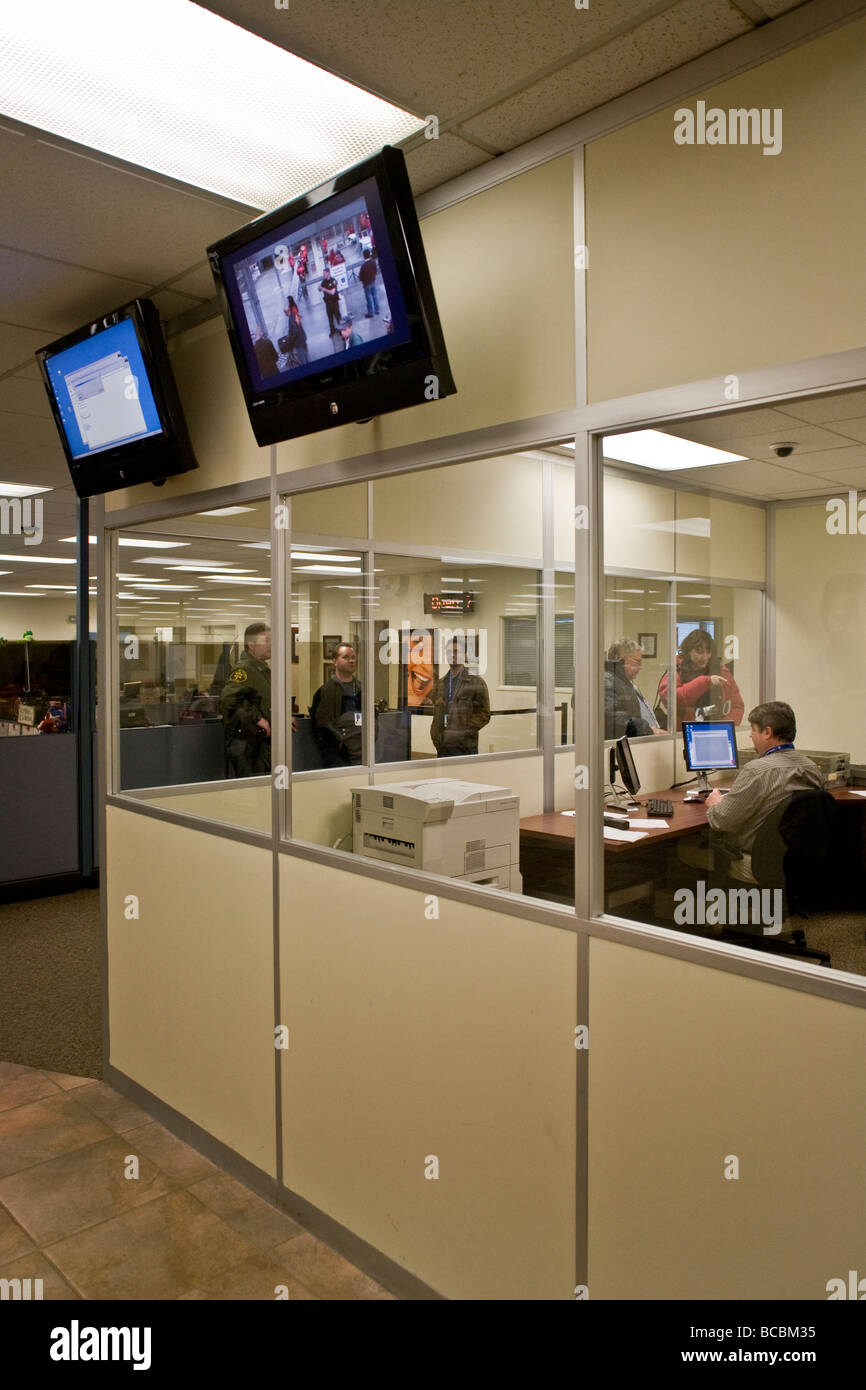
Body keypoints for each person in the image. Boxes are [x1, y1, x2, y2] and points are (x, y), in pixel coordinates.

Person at [704, 701, 825, 884]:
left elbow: (722, 821)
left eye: (753, 729)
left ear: (767, 732)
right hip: (800, 862)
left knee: (682, 850)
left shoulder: (757, 770)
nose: (751, 735)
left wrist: (714, 804)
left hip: (761, 865)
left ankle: (701, 910)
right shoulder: (811, 768)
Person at [655, 628, 744, 731]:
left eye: (708, 652)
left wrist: (724, 727)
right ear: (688, 651)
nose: (704, 657)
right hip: (683, 732)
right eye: (699, 652)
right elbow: (672, 699)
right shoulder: (676, 669)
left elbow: (737, 706)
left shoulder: (721, 672)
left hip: (715, 731)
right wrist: (705, 682)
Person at [220, 623, 272, 777]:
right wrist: (258, 719)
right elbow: (229, 700)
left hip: (262, 744)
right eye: (266, 640)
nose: (271, 644)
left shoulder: (263, 670)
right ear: (251, 645)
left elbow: (262, 702)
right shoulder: (244, 669)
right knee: (251, 793)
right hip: (247, 744)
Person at [431, 637, 491, 757]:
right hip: (443, 746)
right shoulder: (440, 684)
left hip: (465, 746)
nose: (451, 655)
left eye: (455, 651)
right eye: (448, 652)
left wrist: (464, 730)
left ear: (464, 656)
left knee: (465, 776)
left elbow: (484, 714)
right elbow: (437, 715)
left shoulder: (476, 682)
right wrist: (437, 737)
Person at [604, 637, 666, 738]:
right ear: (622, 660)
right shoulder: (606, 683)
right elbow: (610, 717)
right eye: (637, 662)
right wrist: (646, 729)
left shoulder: (625, 684)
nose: (640, 667)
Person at [312, 642, 363, 765]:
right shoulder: (325, 691)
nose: (351, 661)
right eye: (346, 657)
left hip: (364, 754)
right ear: (334, 662)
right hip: (340, 757)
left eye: (353, 657)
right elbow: (322, 727)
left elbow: (373, 718)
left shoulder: (363, 688)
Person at [282, 296, 308, 365]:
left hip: (298, 342)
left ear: (286, 312)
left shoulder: (291, 319)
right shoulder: (294, 315)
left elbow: (295, 332)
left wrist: (290, 339)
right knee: (305, 356)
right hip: (302, 339)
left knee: (303, 360)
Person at [359, 248, 379, 317]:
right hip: (373, 281)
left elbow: (360, 277)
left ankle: (371, 313)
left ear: (364, 256)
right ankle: (377, 310)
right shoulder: (373, 262)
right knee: (375, 296)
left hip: (367, 284)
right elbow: (375, 271)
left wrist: (363, 281)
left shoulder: (363, 266)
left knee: (369, 299)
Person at [320, 269, 341, 334]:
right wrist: (319, 288)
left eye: (324, 273)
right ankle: (332, 330)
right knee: (330, 318)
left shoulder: (333, 281)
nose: (323, 275)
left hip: (334, 302)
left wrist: (325, 290)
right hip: (327, 303)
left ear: (328, 273)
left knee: (338, 316)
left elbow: (332, 292)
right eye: (323, 274)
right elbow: (320, 288)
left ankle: (341, 329)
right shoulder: (323, 282)